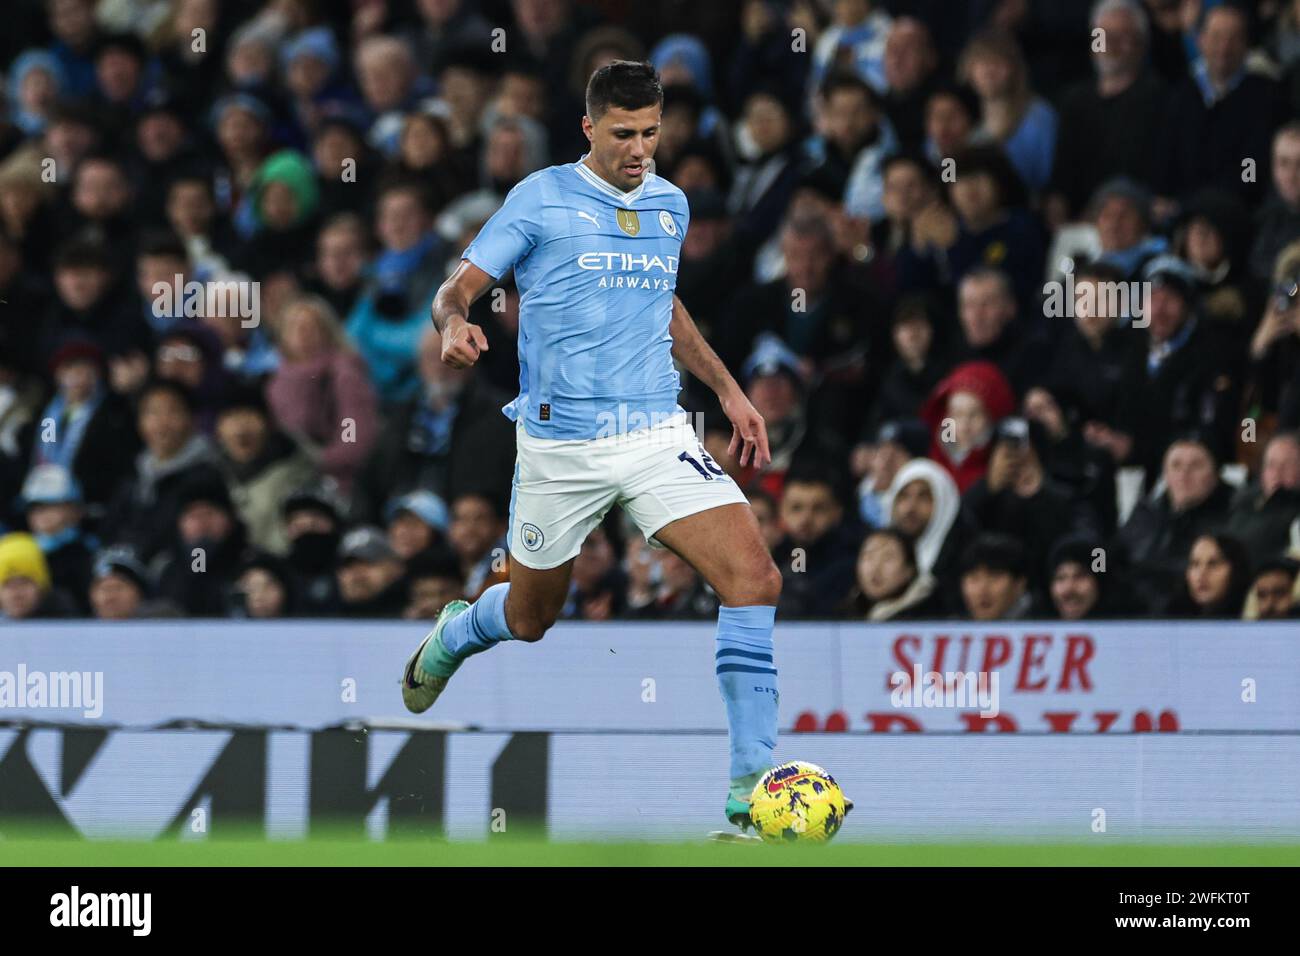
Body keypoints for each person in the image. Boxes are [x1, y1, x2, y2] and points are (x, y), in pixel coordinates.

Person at [397, 61, 850, 840]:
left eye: (649, 133)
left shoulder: (669, 204)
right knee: (534, 616)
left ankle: (748, 799)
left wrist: (730, 392)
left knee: (755, 577)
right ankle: (459, 631)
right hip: (559, 446)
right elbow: (456, 288)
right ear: (588, 129)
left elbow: (663, 305)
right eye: (622, 135)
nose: (638, 150)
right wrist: (451, 323)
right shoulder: (539, 198)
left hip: (654, 433)